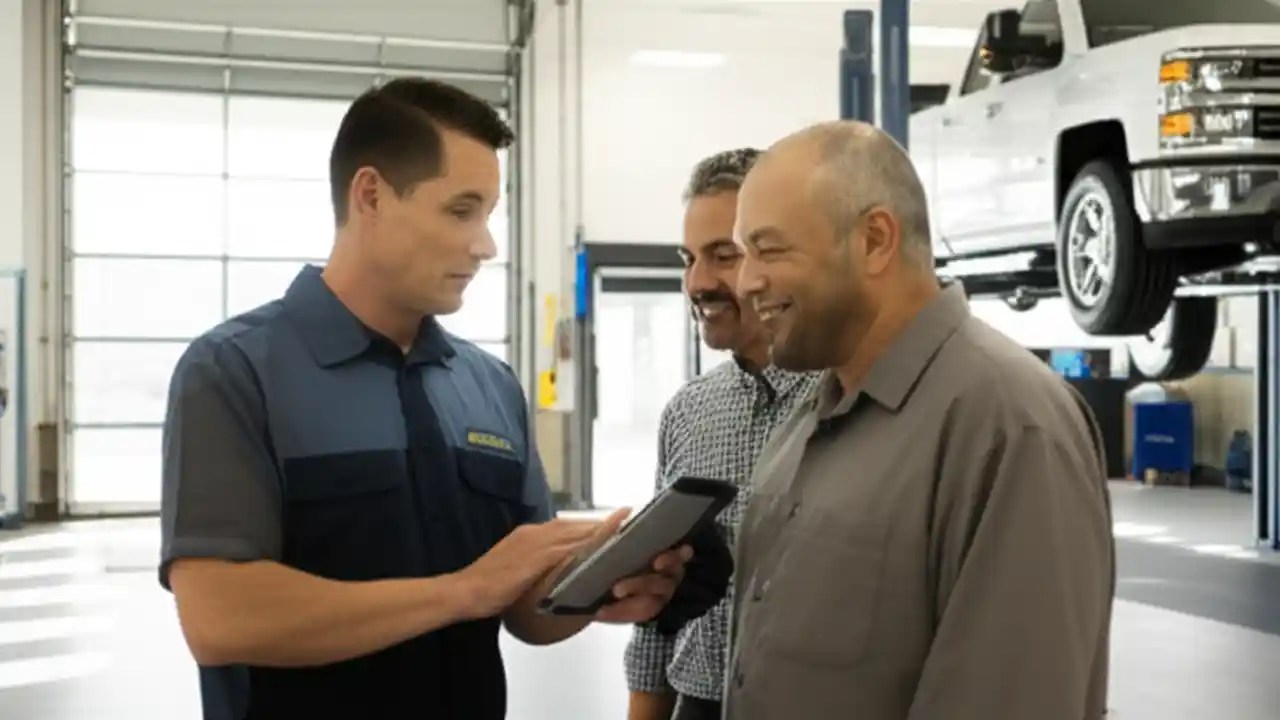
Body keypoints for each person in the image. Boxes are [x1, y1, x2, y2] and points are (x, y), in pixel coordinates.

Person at [159, 78, 693, 720]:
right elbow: (222, 617)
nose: (485, 244)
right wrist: (461, 592)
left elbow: (524, 610)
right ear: (372, 196)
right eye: (460, 210)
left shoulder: (489, 386)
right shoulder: (235, 372)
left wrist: (599, 586)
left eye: (489, 215)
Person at [724, 120, 1115, 720]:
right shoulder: (808, 419)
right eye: (744, 252)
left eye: (770, 249)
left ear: (875, 240)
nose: (746, 281)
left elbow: (1013, 698)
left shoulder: (1010, 425)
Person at [624, 149, 820, 720]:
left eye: (722, 256)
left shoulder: (845, 400)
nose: (697, 282)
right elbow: (658, 615)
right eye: (689, 258)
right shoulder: (688, 412)